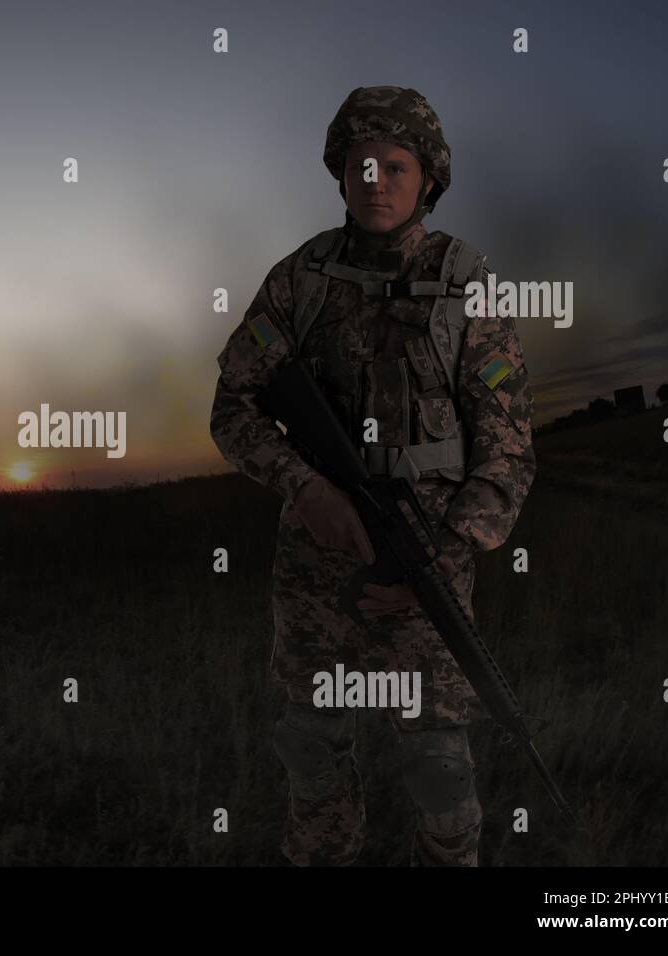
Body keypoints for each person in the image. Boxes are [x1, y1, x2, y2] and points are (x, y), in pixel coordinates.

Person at [209, 86, 536, 866]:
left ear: (428, 178)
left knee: (439, 772)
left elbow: (508, 451)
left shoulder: (469, 285)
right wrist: (305, 486)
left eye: (395, 165)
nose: (375, 181)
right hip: (315, 573)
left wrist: (442, 562)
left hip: (424, 571)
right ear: (340, 175)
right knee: (312, 755)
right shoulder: (300, 280)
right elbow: (234, 407)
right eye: (359, 165)